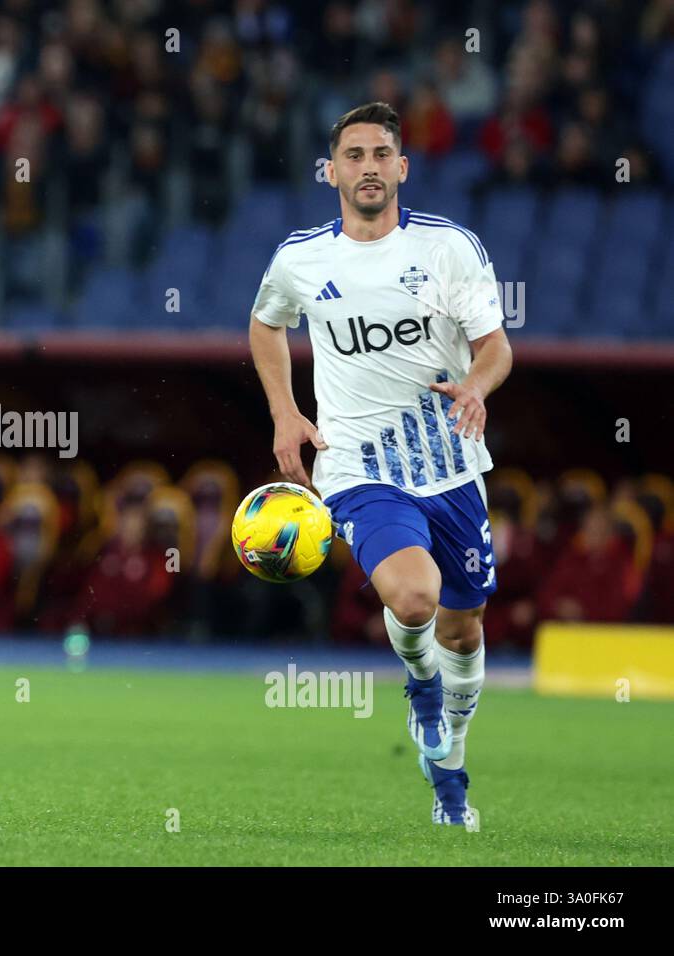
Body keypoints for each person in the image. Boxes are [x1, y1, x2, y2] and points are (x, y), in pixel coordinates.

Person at [249, 102, 513, 827]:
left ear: (403, 167)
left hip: (452, 465)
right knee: (414, 599)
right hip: (358, 466)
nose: (369, 167)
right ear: (331, 170)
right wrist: (284, 411)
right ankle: (420, 683)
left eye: (381, 154)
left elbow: (496, 347)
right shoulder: (301, 258)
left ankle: (450, 765)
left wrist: (477, 385)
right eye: (355, 155)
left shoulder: (448, 248)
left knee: (464, 628)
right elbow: (267, 322)